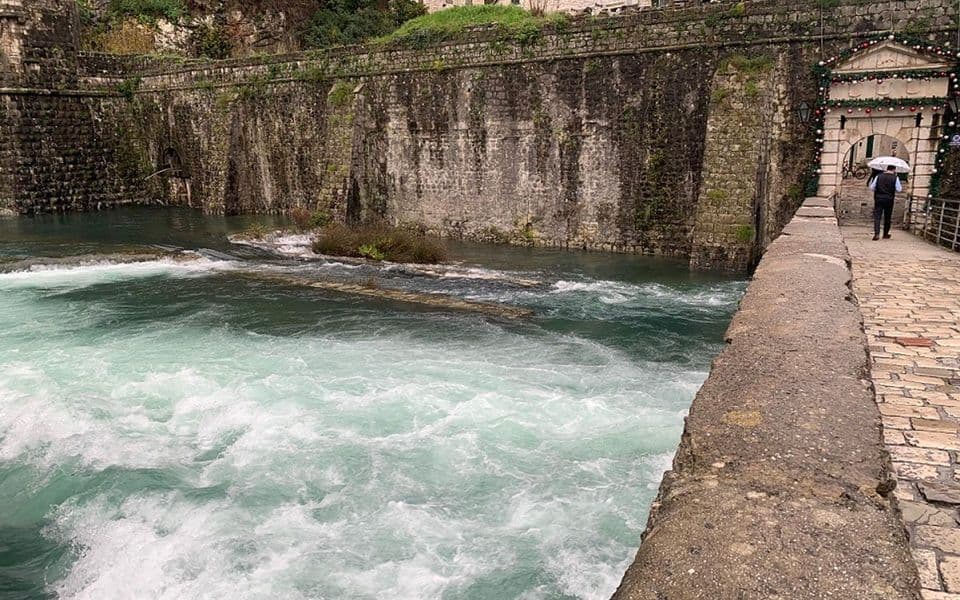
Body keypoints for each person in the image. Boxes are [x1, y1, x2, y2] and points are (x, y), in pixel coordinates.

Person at [868, 165, 902, 240]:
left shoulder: (878, 176)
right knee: (887, 217)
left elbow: (872, 187)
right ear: (894, 170)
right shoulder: (895, 178)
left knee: (877, 216)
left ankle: (877, 234)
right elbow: (899, 189)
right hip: (889, 199)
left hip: (879, 198)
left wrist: (879, 189)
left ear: (887, 169)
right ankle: (885, 234)